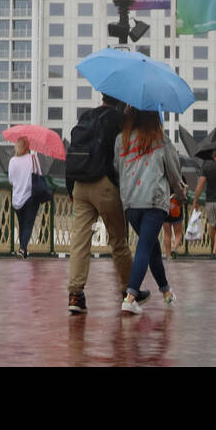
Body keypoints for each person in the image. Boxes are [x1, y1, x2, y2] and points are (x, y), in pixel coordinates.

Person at [65, 95, 137, 315]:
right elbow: (121, 155)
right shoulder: (118, 119)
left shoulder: (85, 116)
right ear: (120, 101)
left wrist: (71, 189)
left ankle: (76, 294)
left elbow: (74, 152)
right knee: (118, 239)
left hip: (79, 184)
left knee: (80, 241)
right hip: (104, 184)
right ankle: (129, 290)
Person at [116, 107, 186, 313]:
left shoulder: (121, 140)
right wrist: (181, 194)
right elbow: (174, 175)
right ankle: (130, 297)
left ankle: (166, 293)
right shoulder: (161, 140)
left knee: (151, 247)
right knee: (145, 248)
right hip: (154, 203)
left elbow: (117, 168)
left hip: (130, 204)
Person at [8, 137, 44, 258]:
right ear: (27, 147)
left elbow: (11, 180)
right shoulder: (33, 158)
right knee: (28, 224)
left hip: (17, 198)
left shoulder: (12, 161)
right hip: (31, 196)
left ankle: (23, 250)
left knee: (22, 224)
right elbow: (39, 174)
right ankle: (23, 249)